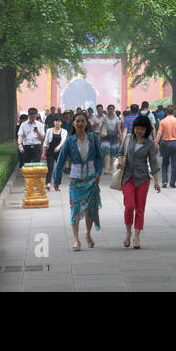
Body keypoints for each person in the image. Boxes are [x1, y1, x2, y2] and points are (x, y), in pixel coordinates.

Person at [52, 112, 105, 251]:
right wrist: (56, 179)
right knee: (75, 207)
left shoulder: (93, 138)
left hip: (91, 178)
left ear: (86, 123)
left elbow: (100, 157)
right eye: (77, 121)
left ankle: (87, 233)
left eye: (82, 121)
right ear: (73, 124)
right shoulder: (70, 140)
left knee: (90, 208)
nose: (80, 124)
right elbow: (61, 160)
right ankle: (76, 240)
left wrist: (99, 172)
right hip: (75, 179)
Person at [117, 113, 161, 248]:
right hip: (127, 178)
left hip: (142, 179)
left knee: (140, 209)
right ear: (134, 127)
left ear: (146, 130)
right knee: (129, 206)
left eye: (142, 129)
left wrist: (156, 181)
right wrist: (120, 161)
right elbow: (120, 153)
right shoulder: (128, 139)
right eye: (137, 128)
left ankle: (136, 237)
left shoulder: (149, 143)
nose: (139, 131)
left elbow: (153, 162)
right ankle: (128, 233)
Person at [156, 106, 176, 188]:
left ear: (166, 111)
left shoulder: (162, 121)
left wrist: (156, 142)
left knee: (165, 163)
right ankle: (172, 183)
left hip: (166, 143)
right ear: (174, 112)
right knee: (174, 164)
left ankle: (164, 181)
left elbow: (159, 133)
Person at [43, 113, 67, 183]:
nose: (57, 122)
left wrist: (59, 147)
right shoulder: (49, 130)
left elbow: (63, 141)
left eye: (59, 121)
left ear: (61, 123)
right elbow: (45, 142)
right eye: (56, 121)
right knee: (50, 167)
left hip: (60, 151)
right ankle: (48, 182)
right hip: (50, 151)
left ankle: (57, 182)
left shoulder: (64, 131)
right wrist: (43, 153)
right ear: (53, 122)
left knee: (59, 167)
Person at [100, 104, 123, 172]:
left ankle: (111, 167)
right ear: (107, 109)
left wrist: (120, 137)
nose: (110, 110)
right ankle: (106, 168)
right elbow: (102, 127)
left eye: (112, 109)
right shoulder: (105, 117)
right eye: (109, 109)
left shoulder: (116, 118)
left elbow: (118, 128)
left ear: (114, 110)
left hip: (114, 136)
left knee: (113, 153)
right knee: (106, 151)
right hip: (106, 136)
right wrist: (99, 136)